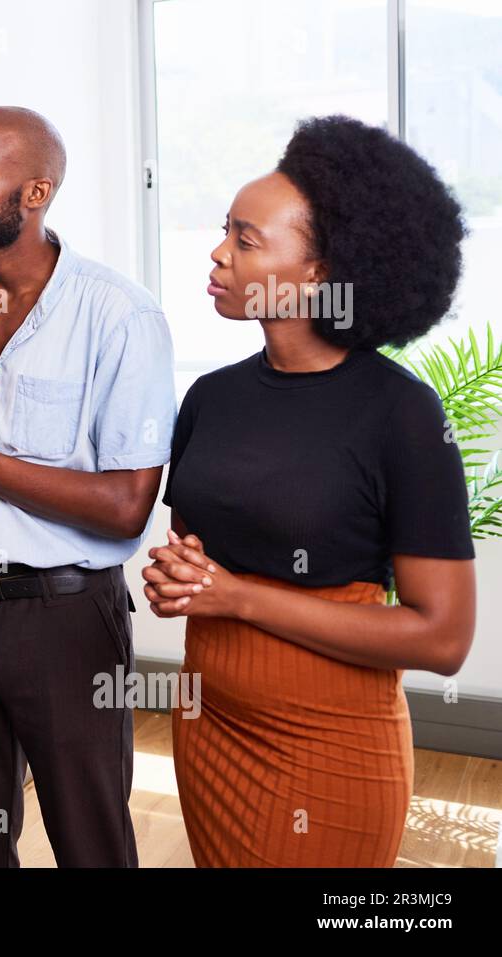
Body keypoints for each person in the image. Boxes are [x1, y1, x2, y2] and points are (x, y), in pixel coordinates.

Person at [144, 114, 477, 867]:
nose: (217, 252)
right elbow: (201, 559)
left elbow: (444, 637)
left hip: (332, 750)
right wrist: (179, 583)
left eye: (245, 239)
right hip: (209, 725)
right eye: (225, 230)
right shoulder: (212, 399)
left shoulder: (401, 413)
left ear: (321, 273)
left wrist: (240, 599)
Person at [0, 106, 177, 867]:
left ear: (35, 192)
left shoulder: (119, 315)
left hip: (67, 616)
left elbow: (125, 509)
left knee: (89, 840)